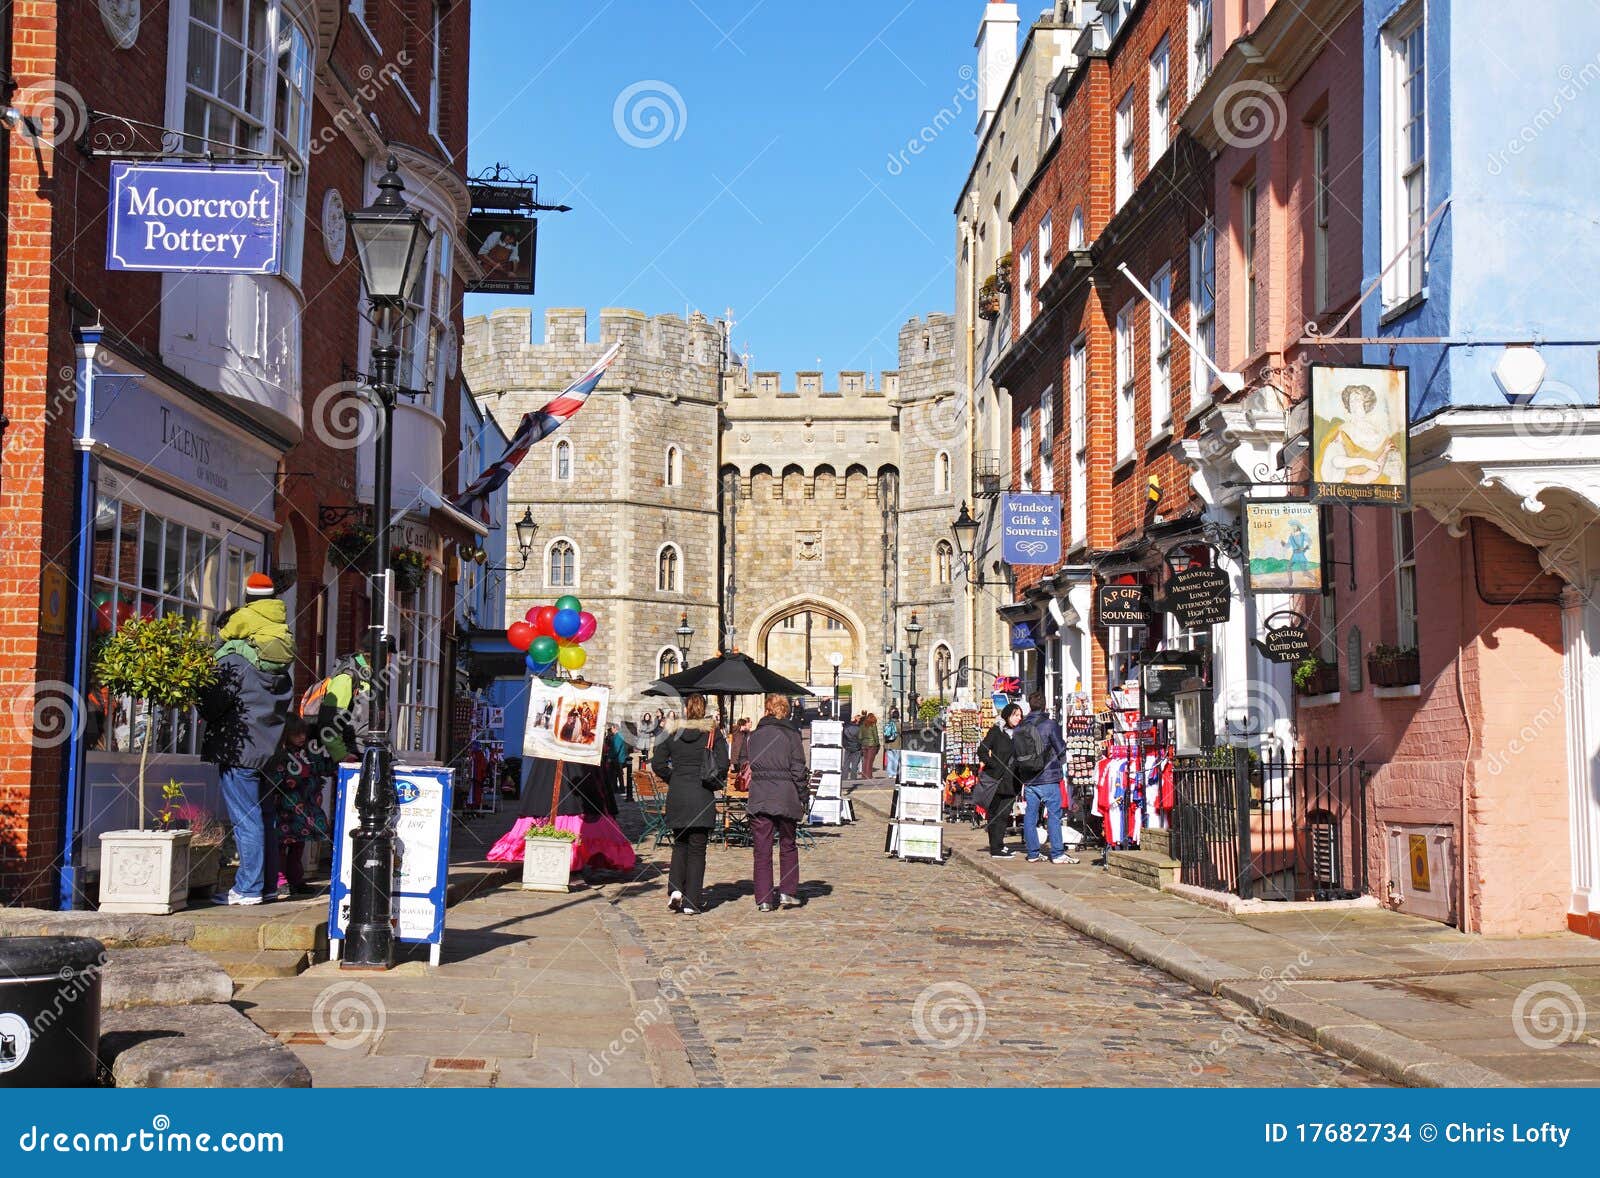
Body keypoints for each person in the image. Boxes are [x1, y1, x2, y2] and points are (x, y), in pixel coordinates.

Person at [199, 644, 294, 905]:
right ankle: (268, 886)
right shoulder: (277, 666)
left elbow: (212, 707)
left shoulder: (235, 662)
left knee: (247, 820)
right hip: (268, 751)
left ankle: (249, 888)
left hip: (239, 751)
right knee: (266, 819)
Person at [650, 695, 729, 915]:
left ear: (685, 709)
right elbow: (724, 762)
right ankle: (692, 901)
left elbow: (657, 763)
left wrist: (673, 777)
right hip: (702, 794)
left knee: (680, 843)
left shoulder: (672, 732)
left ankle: (676, 889)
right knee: (697, 849)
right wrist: (713, 778)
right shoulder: (711, 732)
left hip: (679, 793)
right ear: (703, 709)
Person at [741, 693, 808, 911]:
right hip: (785, 794)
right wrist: (803, 796)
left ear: (767, 709)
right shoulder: (792, 735)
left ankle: (764, 899)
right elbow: (798, 769)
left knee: (762, 849)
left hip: (760, 795)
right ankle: (787, 892)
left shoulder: (754, 736)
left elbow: (747, 763)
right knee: (788, 845)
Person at [265, 715, 331, 898]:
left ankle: (296, 879)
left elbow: (321, 767)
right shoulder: (279, 755)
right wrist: (295, 776)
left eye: (303, 733)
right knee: (280, 846)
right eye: (296, 734)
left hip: (305, 807)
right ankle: (279, 880)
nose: (302, 737)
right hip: (285, 809)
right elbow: (276, 780)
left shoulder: (309, 751)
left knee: (298, 846)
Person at [1015, 691, 1075, 864]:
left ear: (1029, 706)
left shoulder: (1020, 727)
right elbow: (1060, 748)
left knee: (1030, 817)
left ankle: (1033, 853)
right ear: (1044, 705)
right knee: (1054, 816)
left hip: (1029, 779)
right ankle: (1057, 853)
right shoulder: (1050, 724)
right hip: (1048, 777)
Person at [216, 572, 295, 671]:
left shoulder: (245, 614)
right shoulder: (277, 612)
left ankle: (211, 666)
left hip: (266, 659)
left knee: (232, 645)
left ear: (249, 596)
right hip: (286, 660)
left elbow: (223, 637)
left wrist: (207, 657)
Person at [975, 703, 1024, 858]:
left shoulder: (1021, 733)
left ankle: (1000, 845)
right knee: (994, 813)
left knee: (1004, 815)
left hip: (1013, 780)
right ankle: (995, 847)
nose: (1018, 718)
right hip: (996, 779)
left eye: (1020, 716)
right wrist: (994, 765)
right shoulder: (996, 731)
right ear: (1007, 715)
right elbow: (982, 750)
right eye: (1015, 715)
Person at [857, 712, 880, 779]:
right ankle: (869, 775)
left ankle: (864, 775)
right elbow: (876, 736)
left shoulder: (862, 725)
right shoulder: (873, 725)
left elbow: (860, 736)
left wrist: (862, 743)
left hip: (864, 745)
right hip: (872, 745)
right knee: (870, 761)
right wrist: (877, 744)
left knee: (865, 760)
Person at [842, 714, 862, 780]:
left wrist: (845, 745)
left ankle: (844, 776)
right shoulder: (860, 729)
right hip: (856, 748)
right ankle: (853, 777)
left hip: (847, 747)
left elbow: (843, 738)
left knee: (846, 763)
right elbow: (861, 739)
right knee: (855, 763)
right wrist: (859, 745)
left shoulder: (846, 727)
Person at [883, 708, 901, 779]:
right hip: (896, 744)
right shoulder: (898, 724)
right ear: (898, 716)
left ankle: (890, 774)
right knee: (896, 759)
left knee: (890, 760)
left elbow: (885, 734)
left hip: (888, 744)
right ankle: (894, 774)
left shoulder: (888, 723)